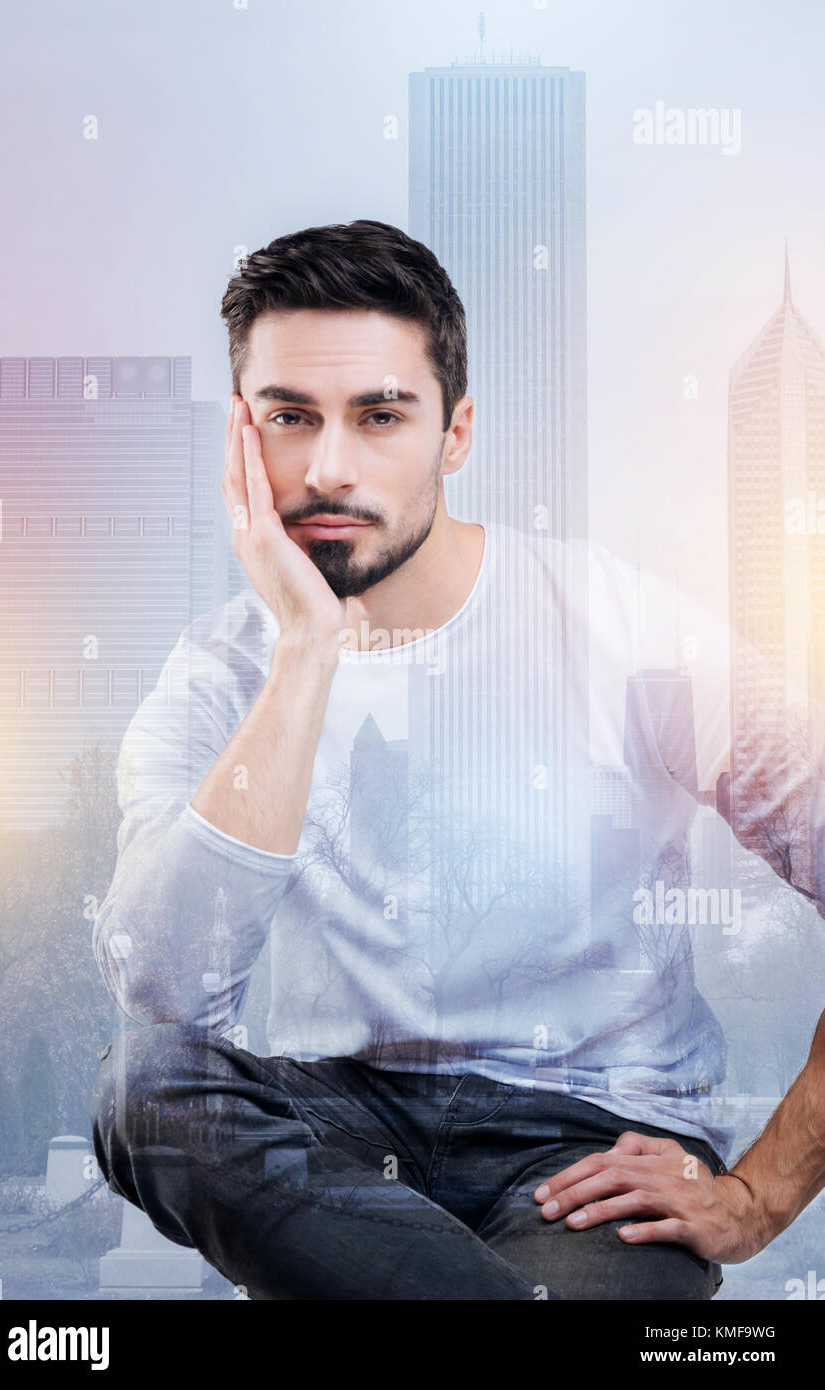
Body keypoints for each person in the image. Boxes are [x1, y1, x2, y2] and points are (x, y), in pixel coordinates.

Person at [90, 219, 825, 1300]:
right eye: (290, 417)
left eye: (380, 416)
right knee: (144, 1088)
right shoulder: (214, 675)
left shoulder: (629, 632)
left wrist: (757, 1196)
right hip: (336, 1136)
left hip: (591, 1153)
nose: (329, 467)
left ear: (455, 433)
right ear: (241, 434)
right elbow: (164, 990)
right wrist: (306, 649)